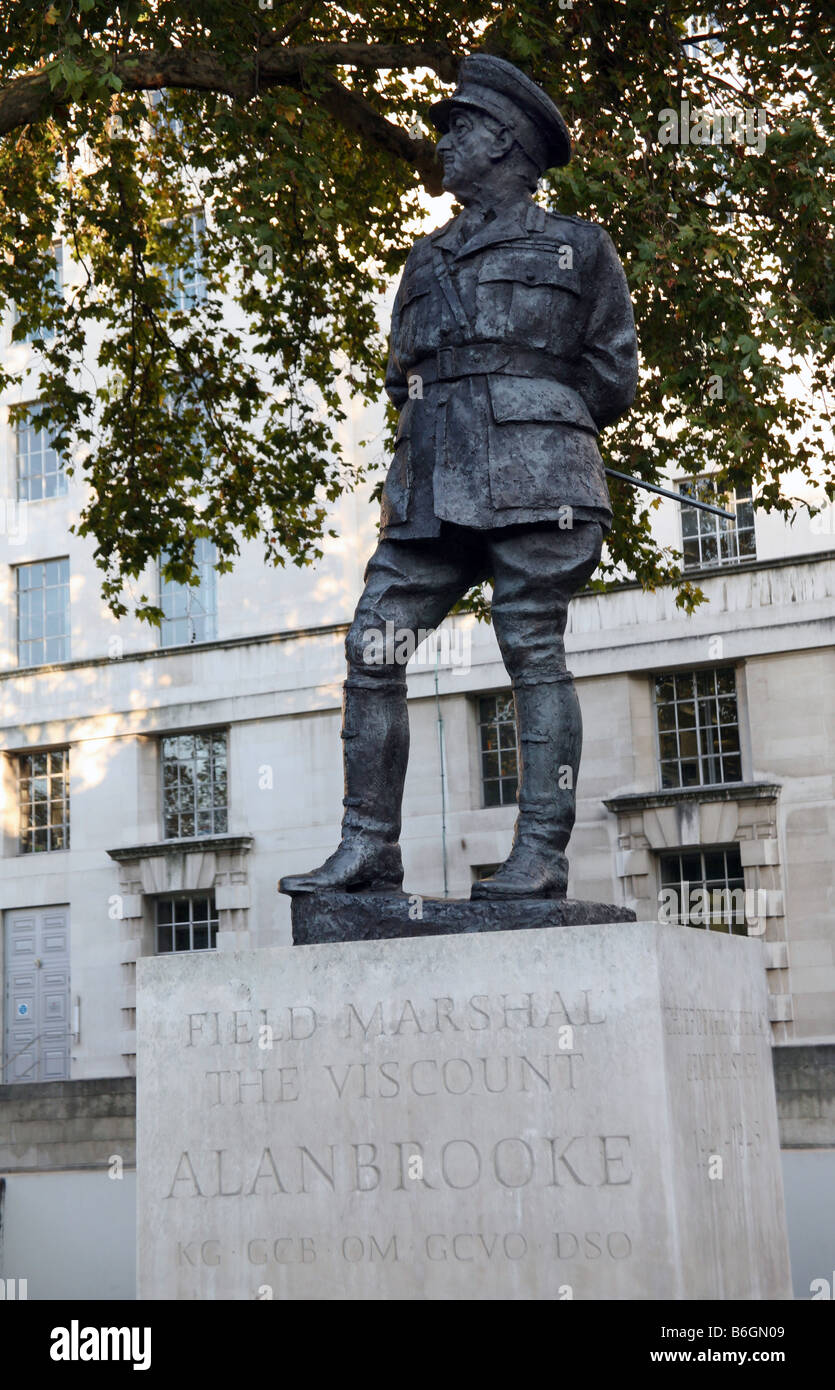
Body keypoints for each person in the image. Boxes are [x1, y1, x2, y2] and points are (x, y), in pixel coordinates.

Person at [280, 53, 638, 901]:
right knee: (375, 644)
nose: (442, 144)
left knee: (531, 650)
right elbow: (402, 373)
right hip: (432, 480)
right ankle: (368, 846)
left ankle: (540, 853)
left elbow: (611, 378)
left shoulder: (577, 248)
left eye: (459, 130)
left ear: (506, 144)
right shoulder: (423, 261)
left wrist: (527, 414)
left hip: (538, 476)